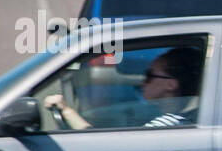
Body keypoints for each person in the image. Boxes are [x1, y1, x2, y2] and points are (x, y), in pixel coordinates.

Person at [44, 47, 203, 129]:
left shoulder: (166, 125)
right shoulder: (191, 118)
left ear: (171, 84)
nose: (142, 82)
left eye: (149, 75)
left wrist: (67, 111)